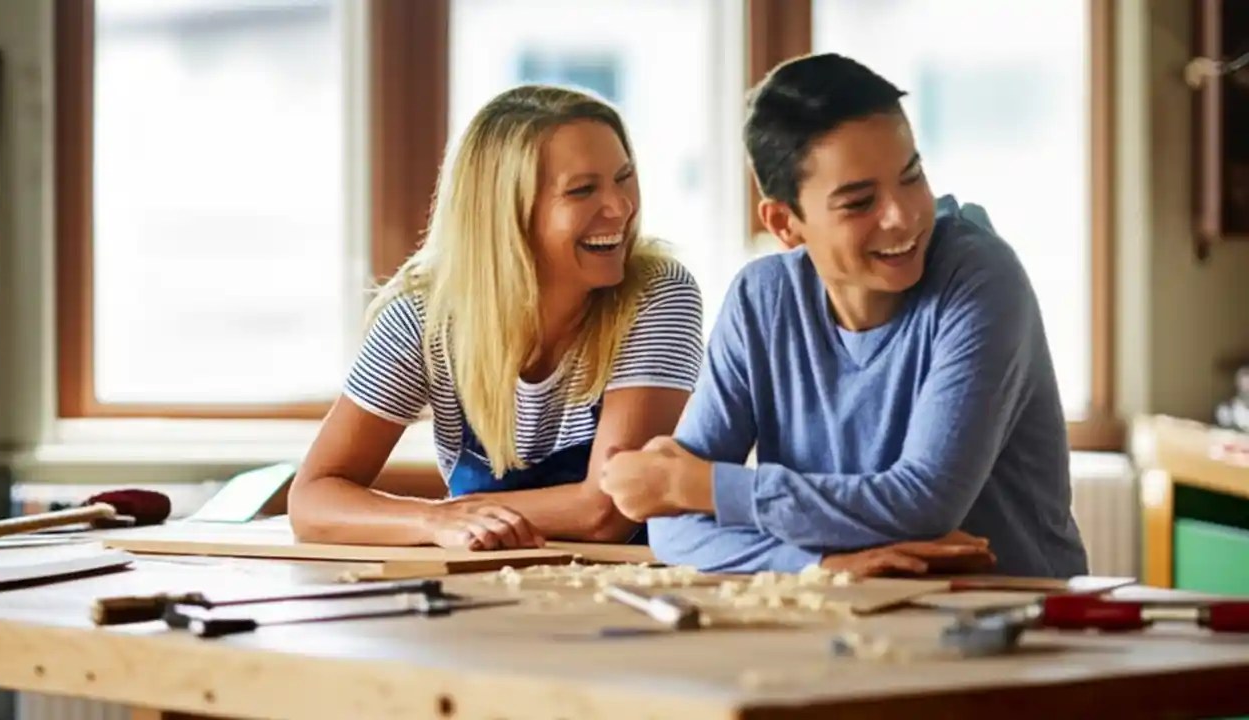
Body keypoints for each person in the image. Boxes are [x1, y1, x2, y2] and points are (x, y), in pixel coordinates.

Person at [599, 53, 1088, 578]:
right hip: (847, 619)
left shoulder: (981, 278)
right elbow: (671, 527)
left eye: (911, 176)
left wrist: (694, 485)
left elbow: (924, 502)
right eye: (859, 203)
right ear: (785, 222)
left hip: (1018, 623)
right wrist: (821, 563)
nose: (902, 217)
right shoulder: (760, 301)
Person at [289, 85, 704, 551]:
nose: (621, 207)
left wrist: (453, 514)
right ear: (507, 214)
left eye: (623, 178)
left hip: (631, 583)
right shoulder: (423, 318)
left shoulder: (657, 293)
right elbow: (311, 500)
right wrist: (431, 522)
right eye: (583, 190)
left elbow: (607, 511)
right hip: (487, 586)